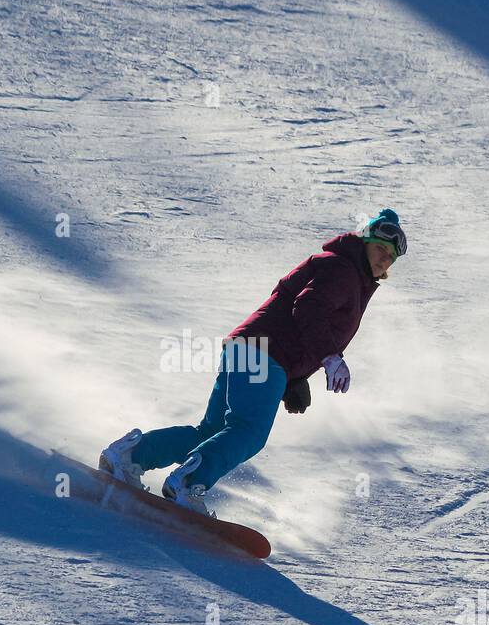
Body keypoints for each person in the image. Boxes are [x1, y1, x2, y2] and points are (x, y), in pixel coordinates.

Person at [100, 208, 407, 516]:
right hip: (265, 354)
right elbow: (309, 309)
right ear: (364, 240)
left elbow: (297, 319)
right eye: (380, 248)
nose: (383, 259)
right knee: (249, 431)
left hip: (250, 349)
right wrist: (329, 356)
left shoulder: (348, 274)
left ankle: (130, 456)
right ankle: (189, 481)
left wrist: (294, 379)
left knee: (211, 433)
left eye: (390, 257)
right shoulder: (344, 269)